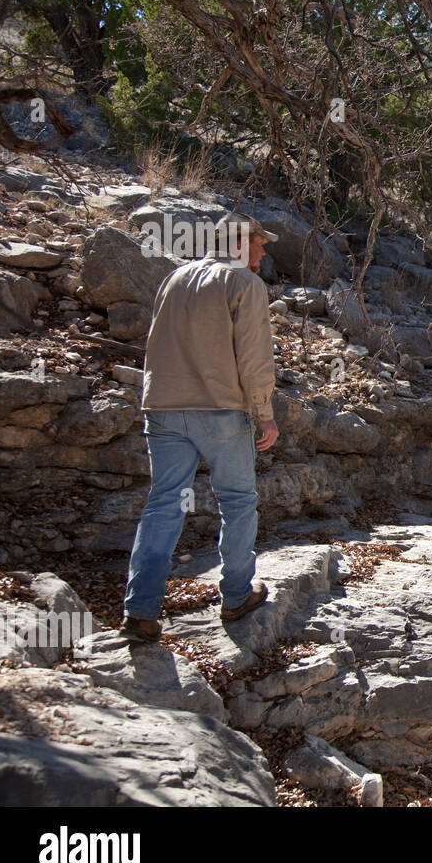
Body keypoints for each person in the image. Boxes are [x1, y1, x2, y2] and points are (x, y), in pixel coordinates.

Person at [120, 212, 281, 642]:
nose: (264, 252)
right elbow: (253, 357)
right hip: (221, 410)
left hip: (164, 407)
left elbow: (155, 342)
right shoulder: (245, 285)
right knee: (237, 501)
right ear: (238, 242)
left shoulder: (175, 278)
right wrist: (263, 412)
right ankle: (235, 596)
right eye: (260, 243)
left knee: (163, 504)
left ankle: (140, 610)